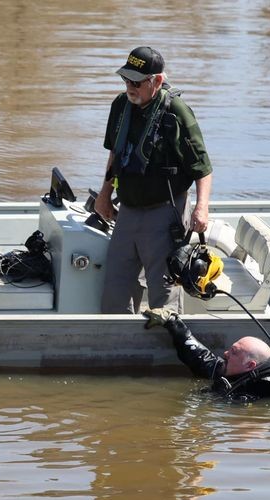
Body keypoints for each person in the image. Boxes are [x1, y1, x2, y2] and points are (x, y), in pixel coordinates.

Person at [96, 46, 213, 314]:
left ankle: (166, 348)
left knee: (163, 293)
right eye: (126, 80)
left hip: (165, 214)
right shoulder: (120, 106)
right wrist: (104, 196)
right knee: (115, 289)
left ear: (157, 80)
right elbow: (116, 153)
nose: (129, 87)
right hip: (127, 212)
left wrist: (201, 208)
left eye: (136, 82)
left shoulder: (177, 112)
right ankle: (121, 348)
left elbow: (203, 169)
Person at [142, 307, 270, 401]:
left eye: (233, 353)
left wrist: (219, 395)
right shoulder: (236, 368)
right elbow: (201, 359)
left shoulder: (259, 391)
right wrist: (173, 323)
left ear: (250, 365)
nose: (225, 353)